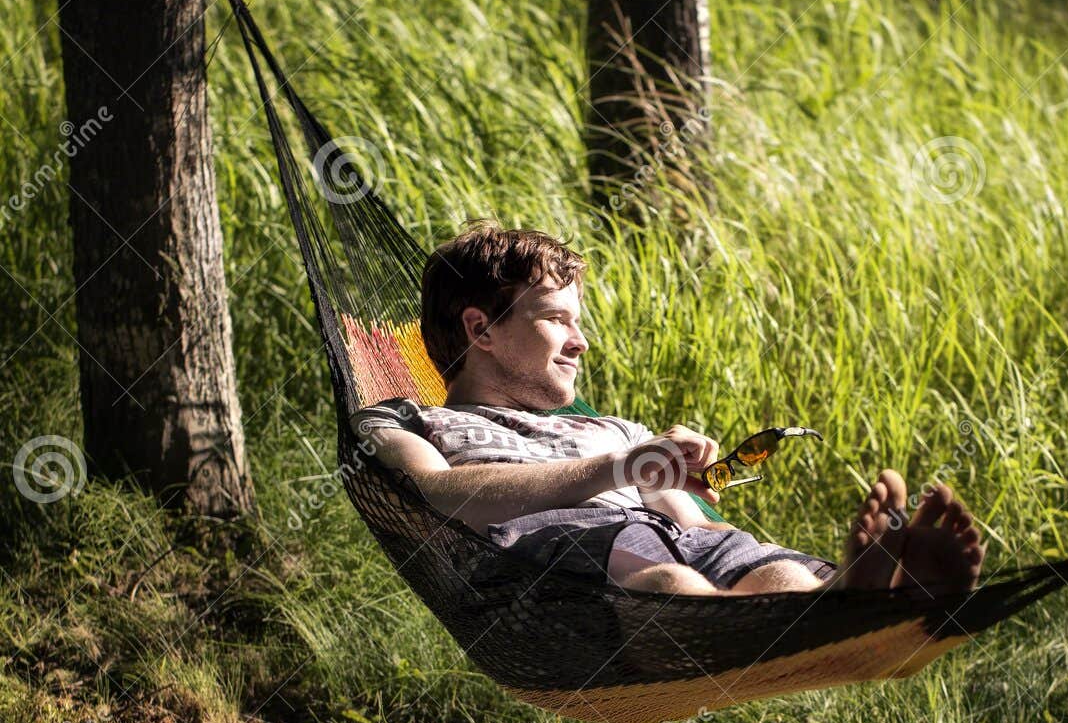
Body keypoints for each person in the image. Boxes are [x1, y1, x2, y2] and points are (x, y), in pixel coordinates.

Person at [355, 222, 985, 598]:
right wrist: (623, 468)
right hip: (565, 571)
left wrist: (681, 474)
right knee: (671, 585)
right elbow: (435, 494)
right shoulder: (404, 420)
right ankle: (852, 602)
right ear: (481, 328)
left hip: (664, 540)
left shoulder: (612, 430)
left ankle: (856, 601)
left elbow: (699, 530)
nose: (581, 342)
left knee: (766, 570)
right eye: (556, 320)